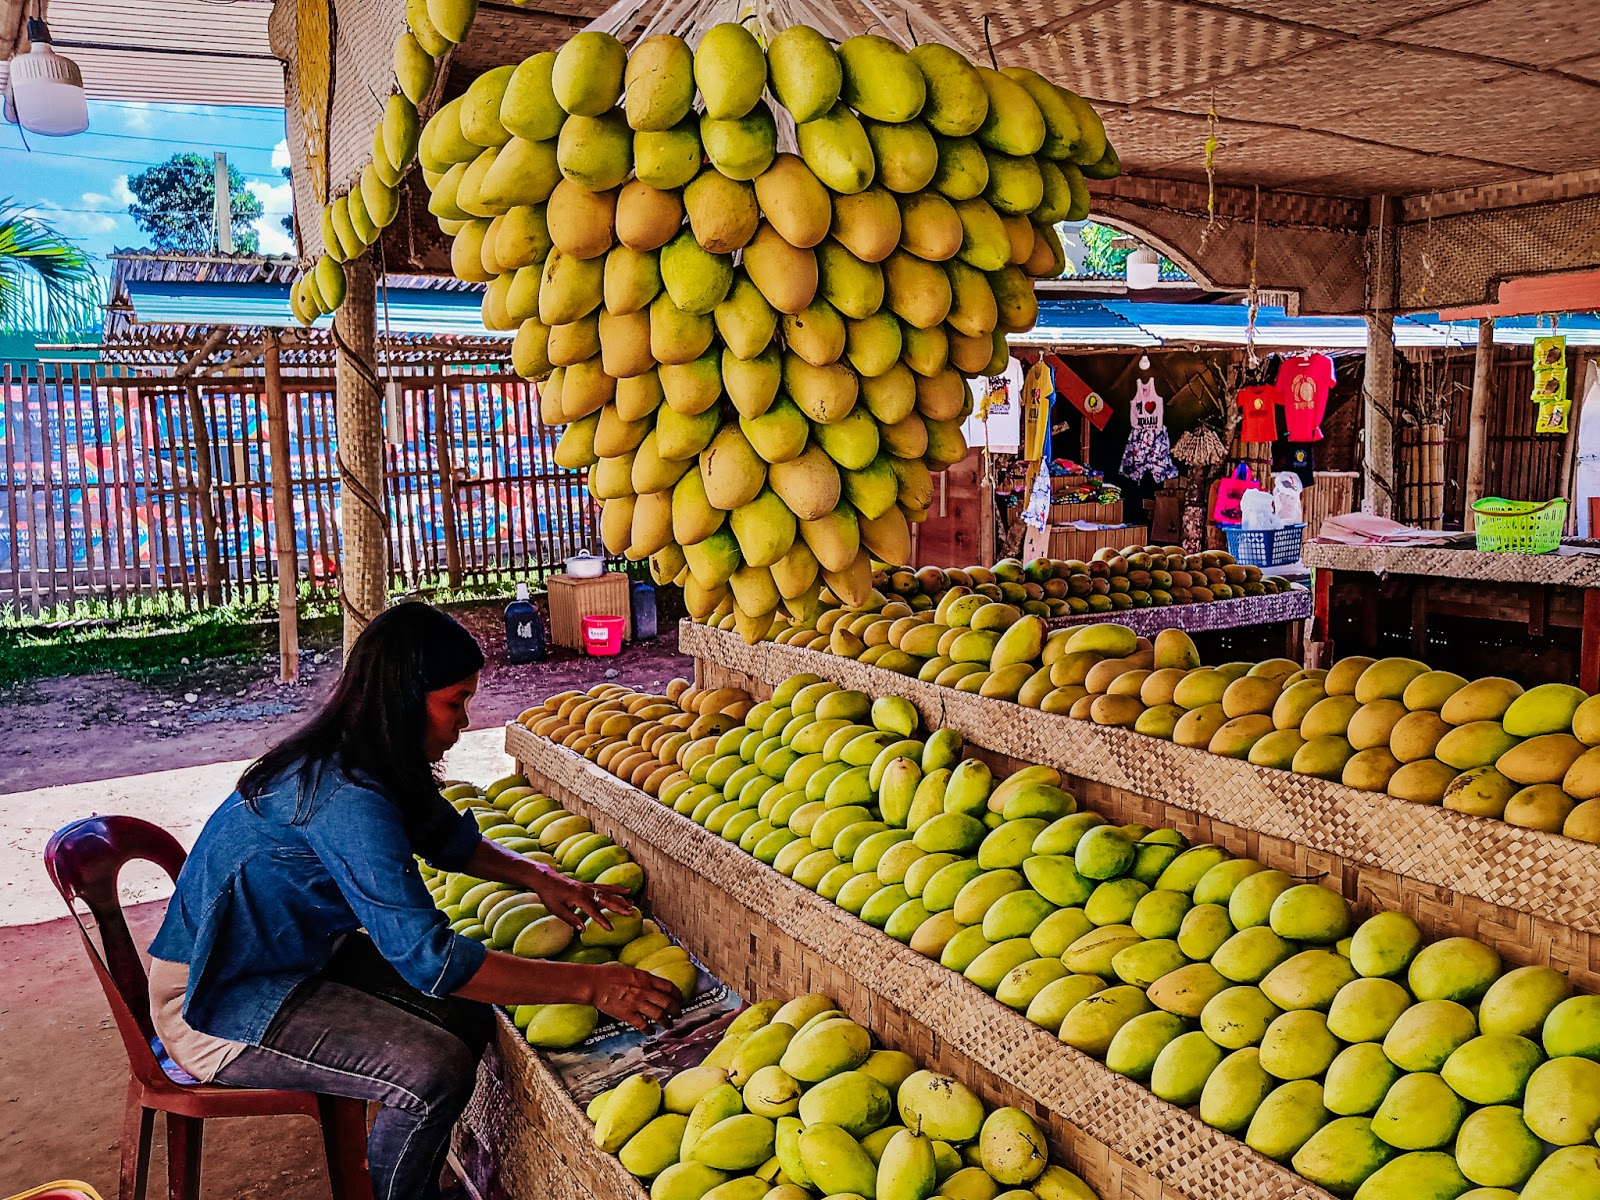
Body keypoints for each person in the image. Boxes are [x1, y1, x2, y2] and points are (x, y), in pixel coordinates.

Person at [146, 602, 679, 1200]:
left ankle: (413, 1168)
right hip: (215, 1001)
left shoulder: (366, 757)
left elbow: (442, 836)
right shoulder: (346, 798)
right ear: (403, 699)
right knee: (428, 1072)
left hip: (287, 961)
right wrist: (590, 985)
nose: (463, 723)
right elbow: (431, 961)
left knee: (470, 1015)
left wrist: (539, 878)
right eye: (455, 703)